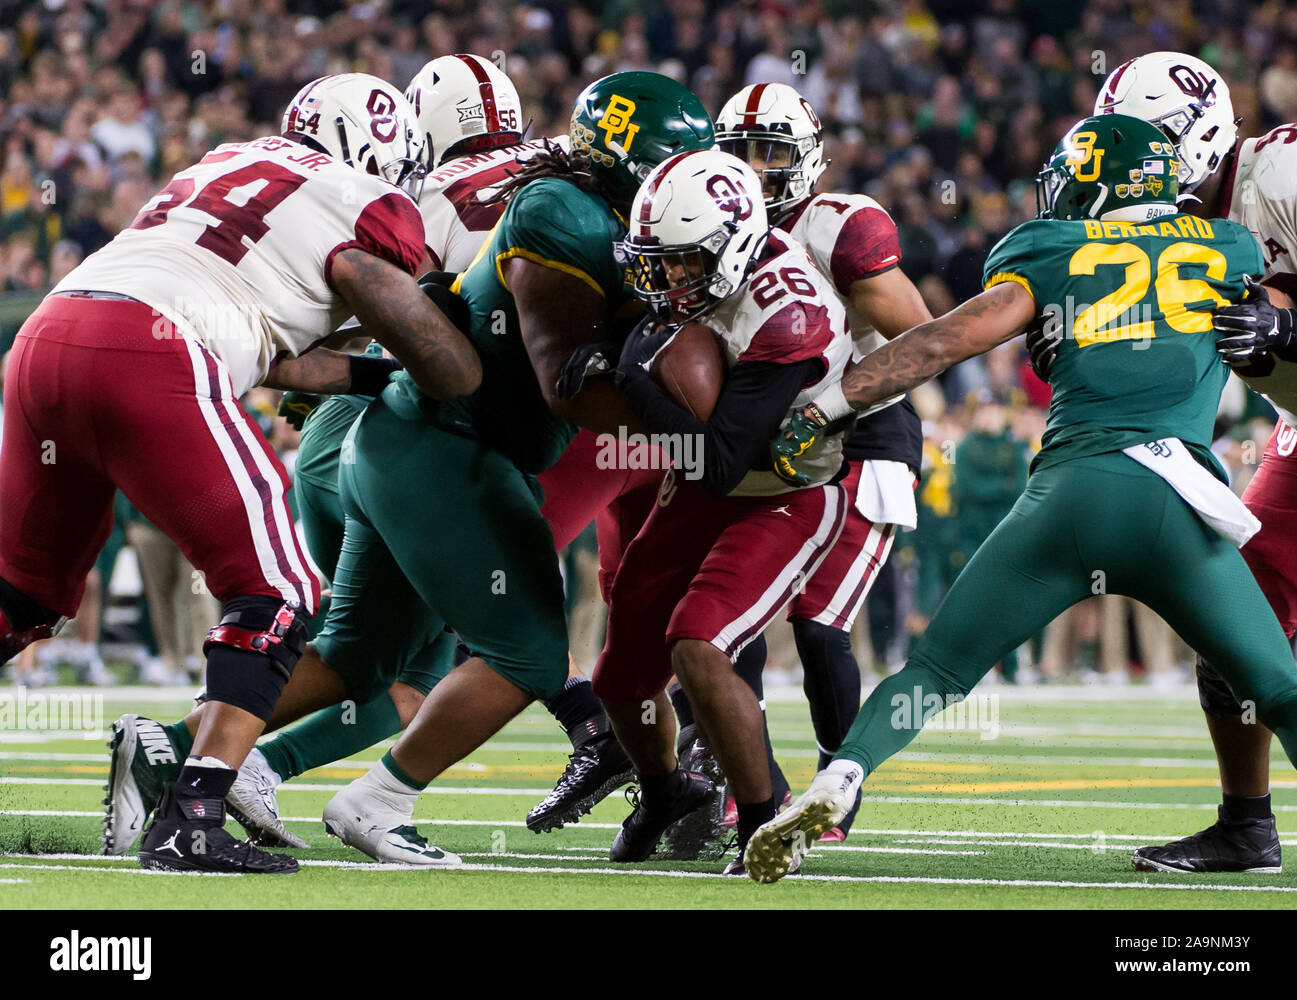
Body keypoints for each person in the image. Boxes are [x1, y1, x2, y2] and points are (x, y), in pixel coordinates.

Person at [748, 113, 1297, 884]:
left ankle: (840, 779)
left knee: (934, 673)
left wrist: (825, 406)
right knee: (1277, 689)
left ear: (1095, 181)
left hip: (1068, 497)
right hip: (1174, 502)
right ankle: (1252, 823)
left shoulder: (1048, 248)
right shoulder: (1231, 249)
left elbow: (942, 343)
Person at [30, 71, 484, 874]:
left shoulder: (217, 165)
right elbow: (416, 333)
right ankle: (195, 814)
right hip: (156, 347)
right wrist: (455, 370)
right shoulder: (369, 202)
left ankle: (195, 795)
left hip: (52, 334)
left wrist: (378, 379)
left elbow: (272, 348)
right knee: (278, 590)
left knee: (18, 592)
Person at [315, 72, 716, 865]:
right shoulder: (559, 210)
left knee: (358, 653)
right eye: (667, 164)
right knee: (529, 648)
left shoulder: (592, 206)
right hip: (443, 445)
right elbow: (565, 382)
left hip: (415, 438)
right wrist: (693, 429)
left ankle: (190, 756)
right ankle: (379, 798)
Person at [584, 148, 853, 873]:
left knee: (697, 644)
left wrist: (635, 376)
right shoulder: (703, 279)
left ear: (732, 244)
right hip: (703, 490)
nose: (669, 279)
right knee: (618, 678)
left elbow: (718, 459)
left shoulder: (788, 313)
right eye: (659, 262)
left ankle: (766, 827)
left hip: (786, 493)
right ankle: (666, 790)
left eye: (684, 263)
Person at [1079, 51, 1297, 874]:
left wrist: (1289, 330)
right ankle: (1247, 823)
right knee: (1233, 618)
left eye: (1155, 145)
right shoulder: (1150, 226)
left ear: (1201, 137)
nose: (1141, 165)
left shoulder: (1284, 170)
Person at [714, 82, 931, 840]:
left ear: (807, 158)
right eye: (739, 151)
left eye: (771, 150)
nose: (755, 166)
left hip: (865, 434)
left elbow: (921, 342)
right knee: (725, 623)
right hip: (762, 441)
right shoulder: (711, 223)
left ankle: (836, 785)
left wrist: (830, 403)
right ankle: (752, 788)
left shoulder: (837, 225)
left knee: (820, 623)